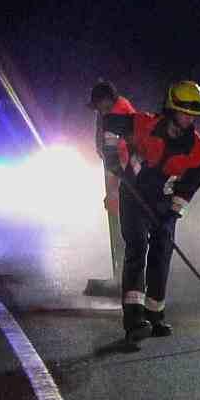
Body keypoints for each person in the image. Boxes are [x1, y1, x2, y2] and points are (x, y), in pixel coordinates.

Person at [103, 80, 200, 339]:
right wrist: (111, 156)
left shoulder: (198, 151)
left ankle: (155, 315)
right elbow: (110, 123)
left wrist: (172, 214)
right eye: (184, 113)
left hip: (164, 203)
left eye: (193, 115)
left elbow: (188, 188)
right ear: (172, 109)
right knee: (137, 247)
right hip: (133, 195)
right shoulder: (145, 124)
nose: (189, 119)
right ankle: (134, 320)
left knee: (162, 253)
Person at [87, 79, 136, 296]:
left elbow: (114, 154)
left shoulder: (117, 114)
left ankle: (124, 279)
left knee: (122, 230)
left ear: (106, 101)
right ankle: (121, 276)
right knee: (120, 228)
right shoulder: (114, 111)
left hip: (123, 178)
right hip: (121, 176)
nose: (99, 111)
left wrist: (113, 191)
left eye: (99, 106)